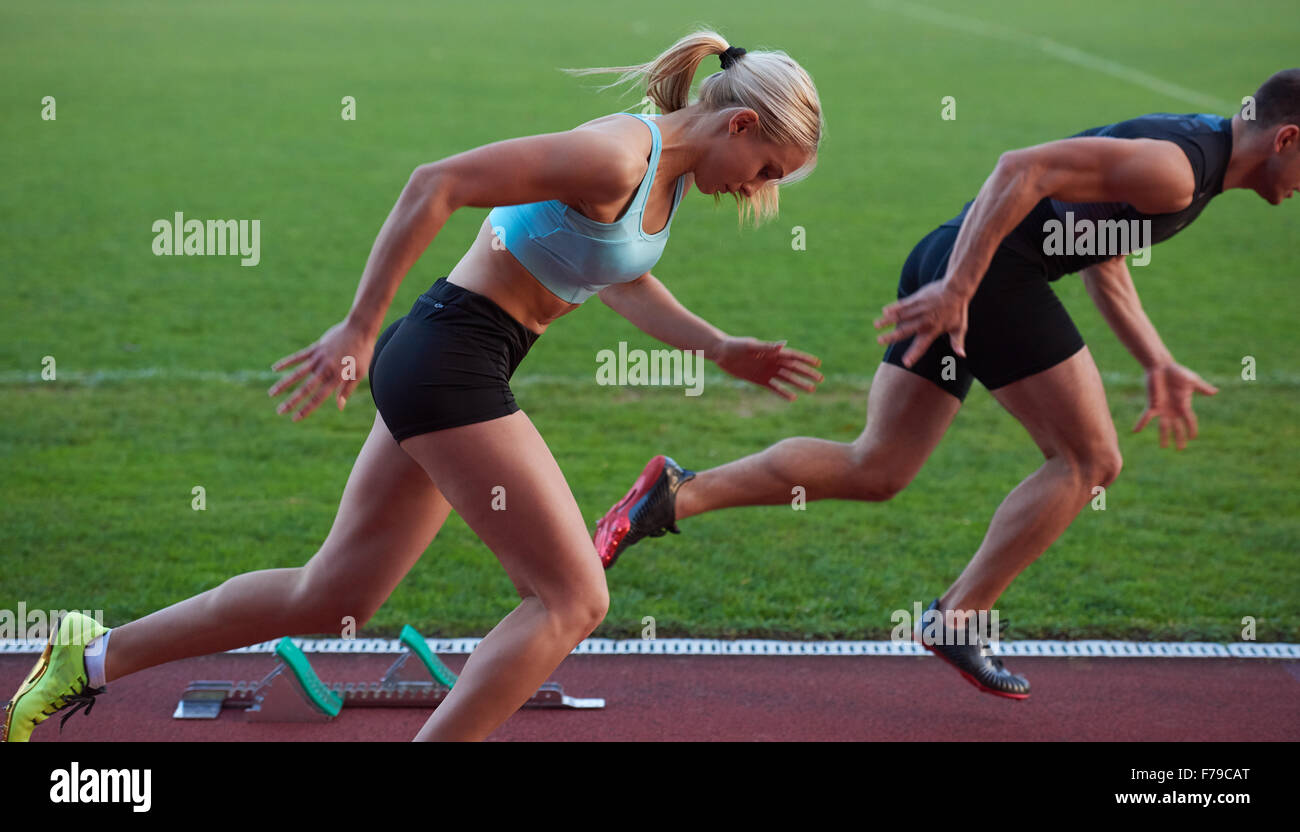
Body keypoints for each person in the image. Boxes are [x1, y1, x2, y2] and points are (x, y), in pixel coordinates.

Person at [2, 30, 825, 742]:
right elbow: (438, 183)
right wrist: (357, 328)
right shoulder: (615, 154)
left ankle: (94, 653)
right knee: (573, 598)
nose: (760, 188)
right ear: (740, 122)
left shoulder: (666, 179)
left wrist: (719, 348)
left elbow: (614, 275)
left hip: (453, 360)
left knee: (333, 593)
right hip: (448, 360)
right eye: (766, 167)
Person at [595, 69, 1300, 699]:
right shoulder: (1178, 170)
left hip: (951, 261)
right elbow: (1019, 169)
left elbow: (1097, 251)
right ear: (1287, 138)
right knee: (1090, 461)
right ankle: (958, 617)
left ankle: (674, 495)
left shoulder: (1194, 164)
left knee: (878, 466)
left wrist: (1155, 359)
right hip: (986, 278)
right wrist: (962, 289)